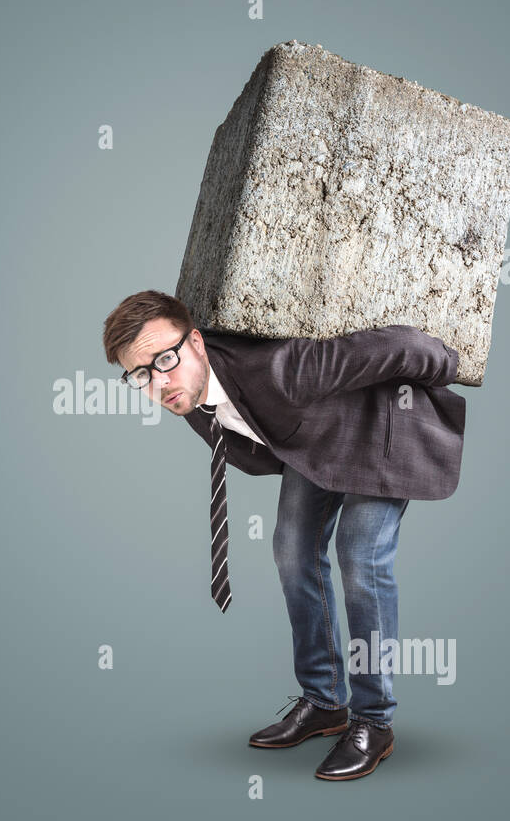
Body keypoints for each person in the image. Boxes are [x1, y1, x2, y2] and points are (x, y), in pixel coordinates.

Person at [102, 290, 465, 780]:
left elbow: (400, 343)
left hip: (383, 424)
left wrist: (447, 363)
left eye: (166, 359)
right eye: (140, 374)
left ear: (197, 342)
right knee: (292, 551)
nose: (158, 381)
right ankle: (324, 700)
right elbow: (254, 444)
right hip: (315, 437)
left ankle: (374, 720)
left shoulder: (281, 369)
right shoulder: (185, 397)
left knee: (360, 557)